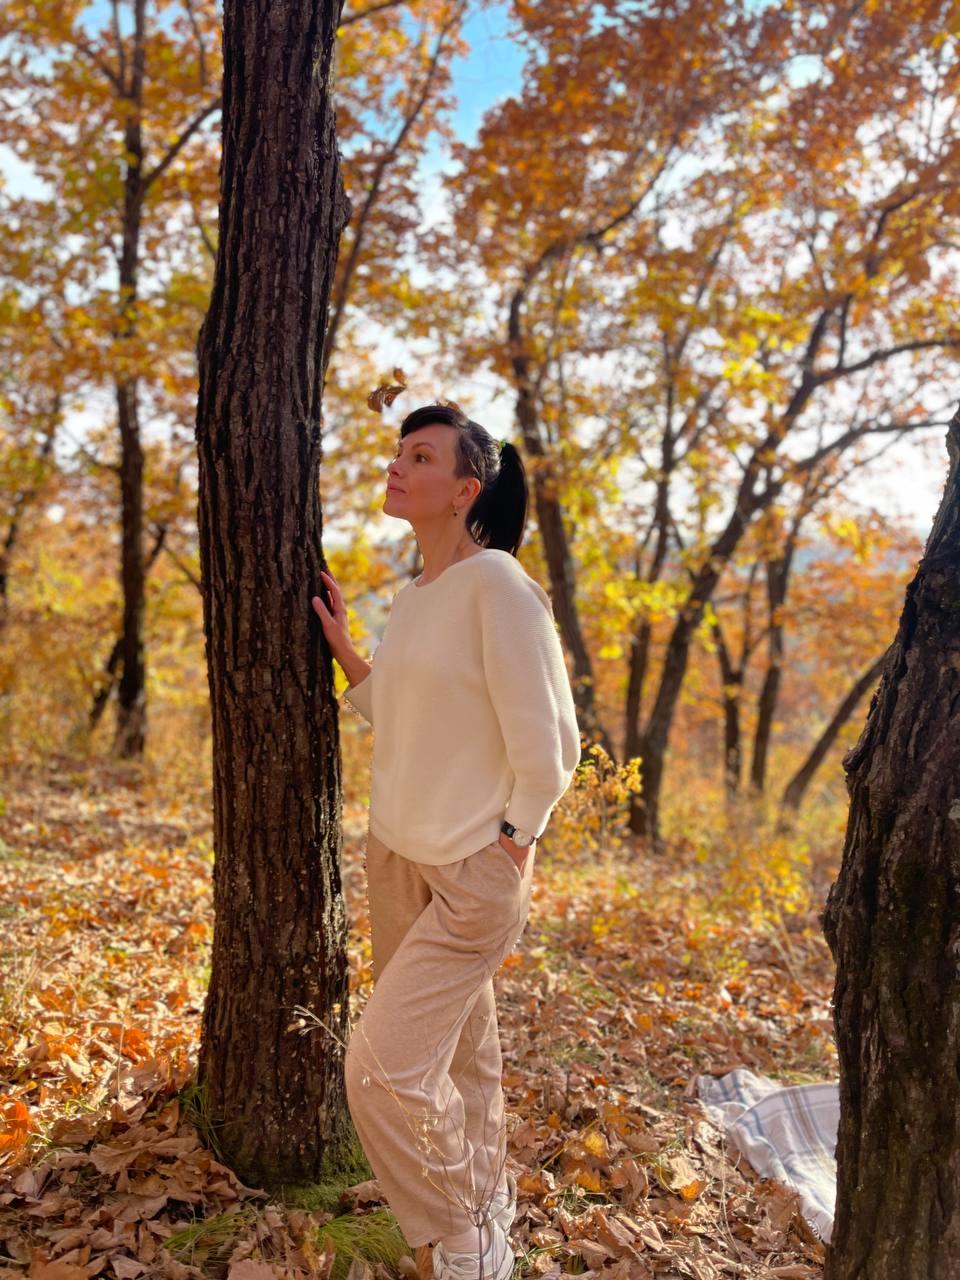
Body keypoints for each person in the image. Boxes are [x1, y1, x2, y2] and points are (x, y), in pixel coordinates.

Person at [311, 402, 581, 1280]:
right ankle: (491, 1208)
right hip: (397, 855)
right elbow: (404, 712)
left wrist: (513, 840)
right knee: (462, 1058)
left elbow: (552, 742)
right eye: (398, 451)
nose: (396, 465)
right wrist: (351, 652)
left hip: (472, 868)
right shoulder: (416, 596)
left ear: (466, 489)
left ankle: (460, 1241)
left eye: (418, 456)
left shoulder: (499, 583)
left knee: (381, 1070)